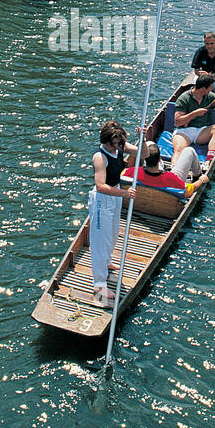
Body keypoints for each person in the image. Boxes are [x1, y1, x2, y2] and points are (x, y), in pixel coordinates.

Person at [89, 121, 144, 305]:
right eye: (115, 143)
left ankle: (107, 262)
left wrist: (142, 137)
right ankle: (99, 284)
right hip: (102, 200)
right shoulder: (100, 157)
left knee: (113, 236)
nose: (118, 146)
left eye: (120, 142)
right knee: (100, 240)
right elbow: (100, 186)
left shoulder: (120, 145)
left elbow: (143, 153)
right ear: (106, 141)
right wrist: (124, 193)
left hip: (116, 196)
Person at [171, 73, 215, 170]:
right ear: (203, 89)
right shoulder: (184, 98)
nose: (212, 89)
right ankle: (174, 171)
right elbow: (177, 122)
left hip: (201, 132)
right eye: (210, 87)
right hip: (184, 132)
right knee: (178, 150)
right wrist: (194, 114)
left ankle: (208, 162)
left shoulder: (210, 96)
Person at [122, 142, 208, 199]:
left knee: (149, 143)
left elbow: (121, 175)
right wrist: (202, 180)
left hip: (148, 179)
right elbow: (190, 189)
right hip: (165, 186)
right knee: (189, 151)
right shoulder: (171, 178)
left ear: (144, 158)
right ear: (159, 159)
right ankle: (197, 174)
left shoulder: (133, 171)